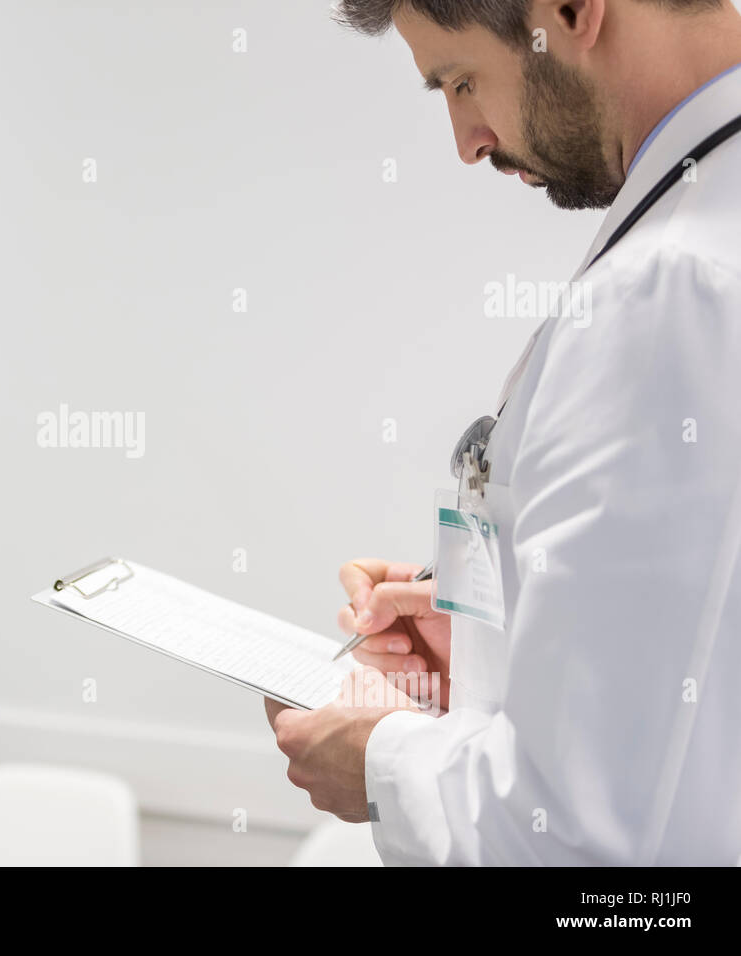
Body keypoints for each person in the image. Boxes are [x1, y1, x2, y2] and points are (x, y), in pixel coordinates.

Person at [264, 0, 741, 865]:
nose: (467, 141)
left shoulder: (675, 288)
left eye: (461, 80)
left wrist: (378, 759)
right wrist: (497, 651)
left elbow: (593, 849)